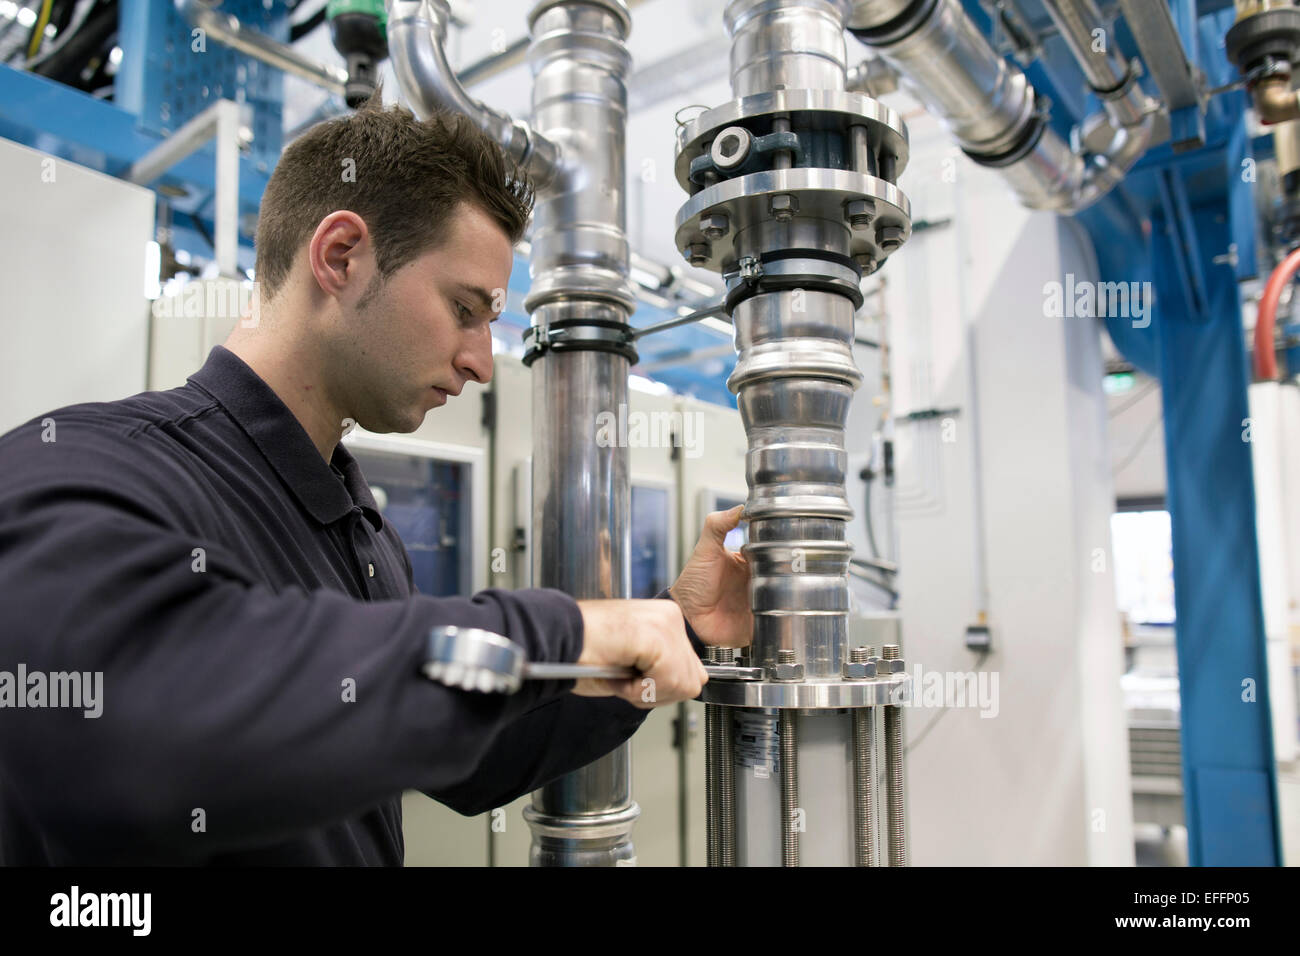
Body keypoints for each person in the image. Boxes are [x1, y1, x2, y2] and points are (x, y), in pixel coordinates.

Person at [0, 97, 752, 865]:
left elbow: (472, 746)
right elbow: (123, 720)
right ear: (340, 256)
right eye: (464, 309)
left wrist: (678, 622)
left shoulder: (358, 525)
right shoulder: (90, 464)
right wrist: (564, 627)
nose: (480, 362)